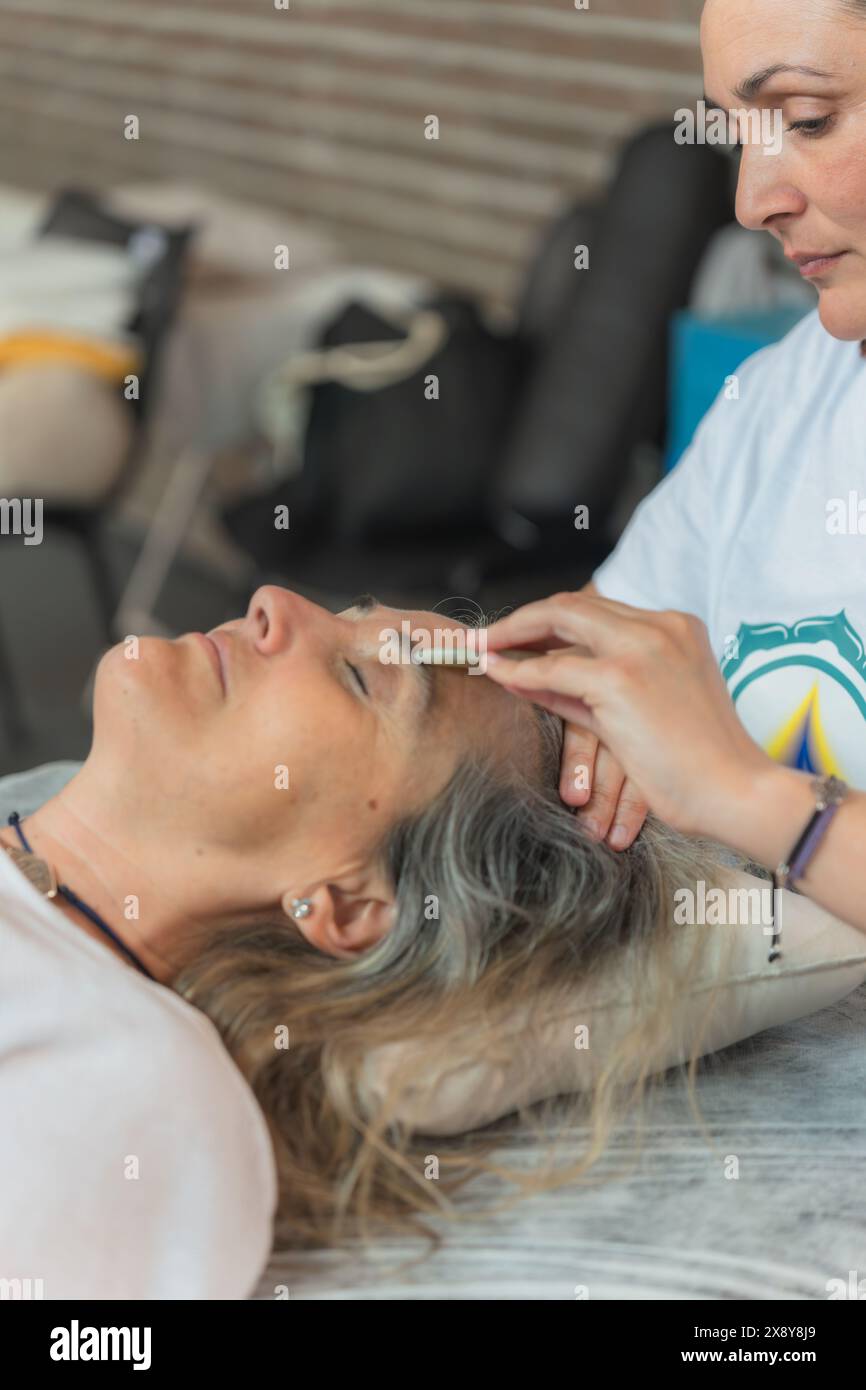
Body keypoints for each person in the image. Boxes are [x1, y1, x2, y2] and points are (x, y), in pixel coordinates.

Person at [7, 584, 863, 1298]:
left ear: (346, 906)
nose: (275, 602)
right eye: (350, 616)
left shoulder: (122, 1094)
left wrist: (745, 793)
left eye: (353, 678)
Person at [556, 0, 866, 855]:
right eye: (738, 132)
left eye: (808, 119)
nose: (750, 202)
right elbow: (607, 640)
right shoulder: (785, 393)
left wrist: (743, 795)